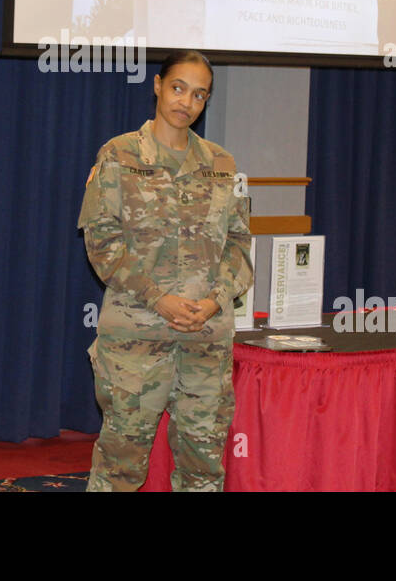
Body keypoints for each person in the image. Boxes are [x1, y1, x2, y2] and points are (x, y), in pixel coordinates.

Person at [78, 49, 252, 491]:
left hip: (205, 342)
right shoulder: (119, 155)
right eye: (178, 88)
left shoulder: (223, 165)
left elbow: (239, 246)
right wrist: (160, 298)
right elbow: (102, 242)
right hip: (136, 342)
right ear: (157, 86)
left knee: (204, 470)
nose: (186, 102)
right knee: (120, 468)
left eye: (199, 94)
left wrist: (215, 300)